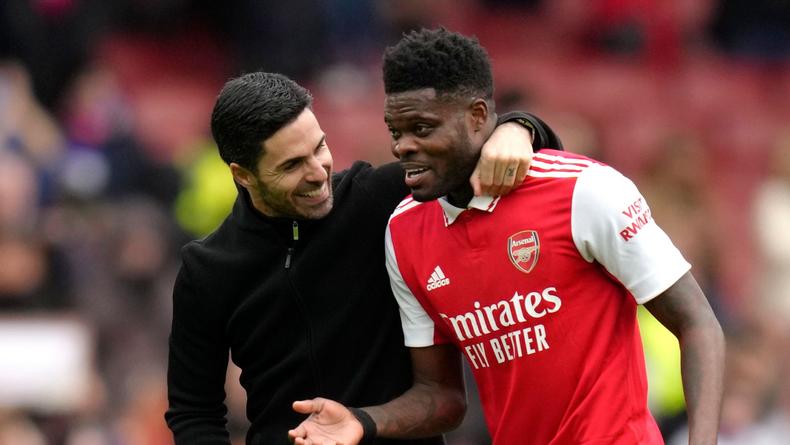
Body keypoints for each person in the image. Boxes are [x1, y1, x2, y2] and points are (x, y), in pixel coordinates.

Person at [288, 28, 726, 445]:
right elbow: (442, 397)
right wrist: (364, 420)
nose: (402, 146)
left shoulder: (584, 191)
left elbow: (698, 323)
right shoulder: (403, 232)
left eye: (421, 129)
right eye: (395, 132)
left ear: (478, 117)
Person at [164, 70, 559, 444]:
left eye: (318, 147)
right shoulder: (207, 270)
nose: (318, 172)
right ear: (243, 175)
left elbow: (527, 156)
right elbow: (194, 411)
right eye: (291, 165)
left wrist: (518, 128)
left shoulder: (382, 198)